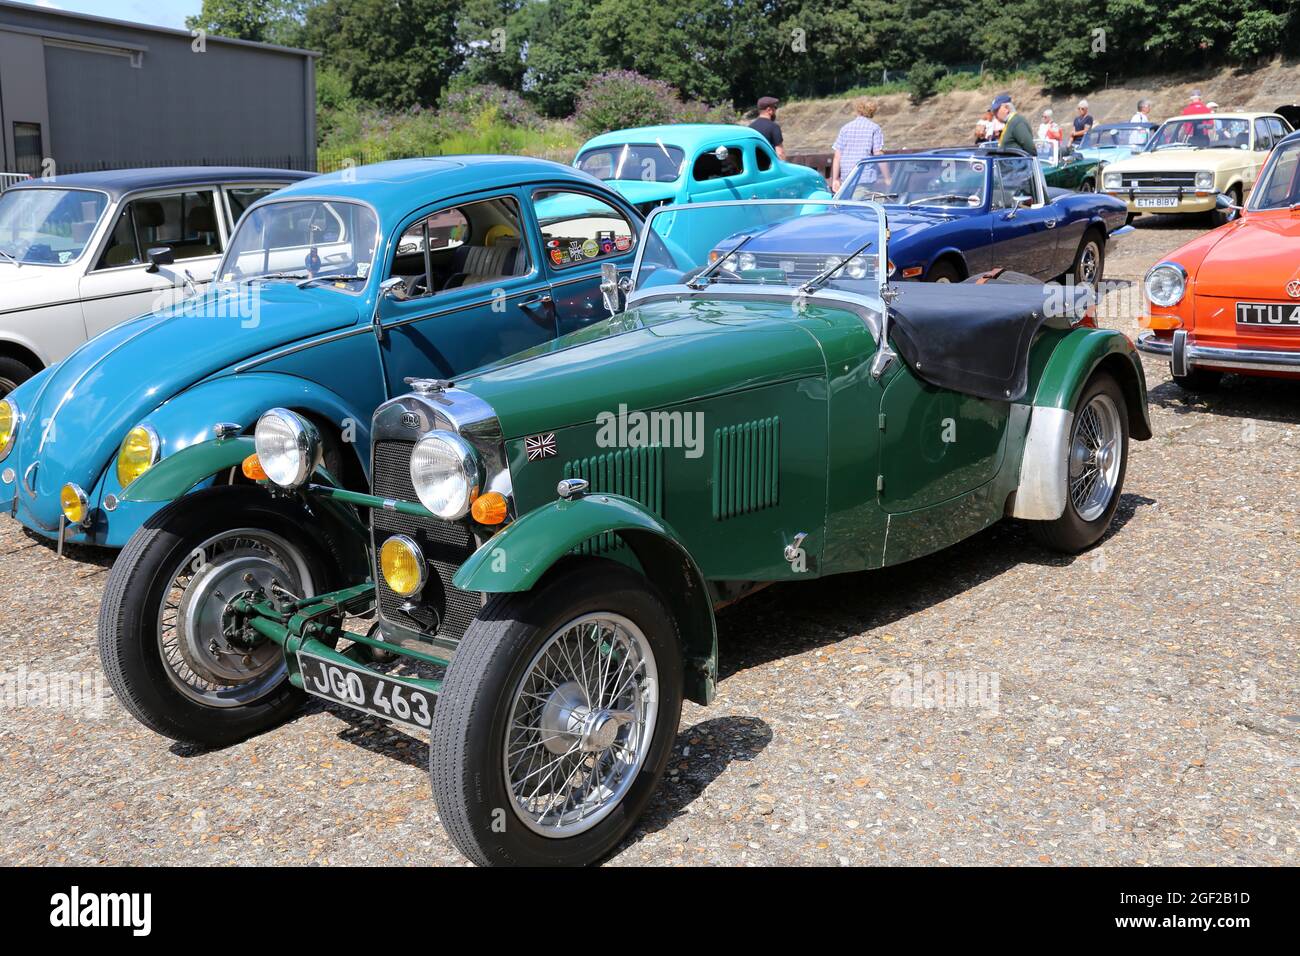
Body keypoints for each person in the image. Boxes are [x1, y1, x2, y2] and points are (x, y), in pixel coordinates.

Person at [831, 98, 884, 192]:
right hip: (865, 176)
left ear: (857, 110)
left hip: (847, 177)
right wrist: (887, 177)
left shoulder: (845, 128)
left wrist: (835, 179)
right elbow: (878, 154)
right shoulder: (874, 128)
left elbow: (837, 156)